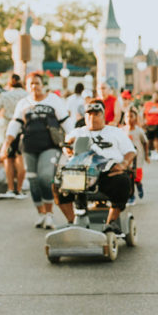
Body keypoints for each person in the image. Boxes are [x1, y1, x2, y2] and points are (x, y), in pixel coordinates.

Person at [2, 72, 73, 230]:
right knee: (33, 179)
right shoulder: (23, 103)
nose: (35, 86)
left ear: (43, 85)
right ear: (27, 87)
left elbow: (66, 122)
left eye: (37, 83)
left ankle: (49, 214)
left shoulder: (53, 100)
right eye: (31, 84)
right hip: (29, 146)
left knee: (46, 176)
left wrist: (74, 139)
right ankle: (40, 213)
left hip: (50, 146)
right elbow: (15, 124)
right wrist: (6, 142)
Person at [56, 100, 136, 233]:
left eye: (96, 114)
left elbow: (131, 151)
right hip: (81, 174)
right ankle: (72, 222)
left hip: (107, 173)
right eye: (89, 115)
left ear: (103, 116)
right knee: (57, 183)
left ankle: (111, 222)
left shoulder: (115, 132)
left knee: (122, 181)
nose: (92, 118)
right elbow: (67, 148)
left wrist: (123, 164)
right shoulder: (77, 132)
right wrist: (69, 149)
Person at [124, 106, 149, 203]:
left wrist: (146, 156)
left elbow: (145, 143)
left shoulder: (139, 131)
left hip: (138, 158)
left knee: (136, 177)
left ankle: (139, 185)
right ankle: (131, 196)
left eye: (131, 116)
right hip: (127, 159)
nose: (129, 119)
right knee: (129, 178)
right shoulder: (123, 130)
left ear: (135, 118)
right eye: (127, 117)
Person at [143, 91, 158, 159]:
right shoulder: (147, 104)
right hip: (149, 124)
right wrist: (143, 121)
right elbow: (143, 113)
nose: (155, 97)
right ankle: (153, 152)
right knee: (150, 140)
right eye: (154, 95)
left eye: (157, 96)